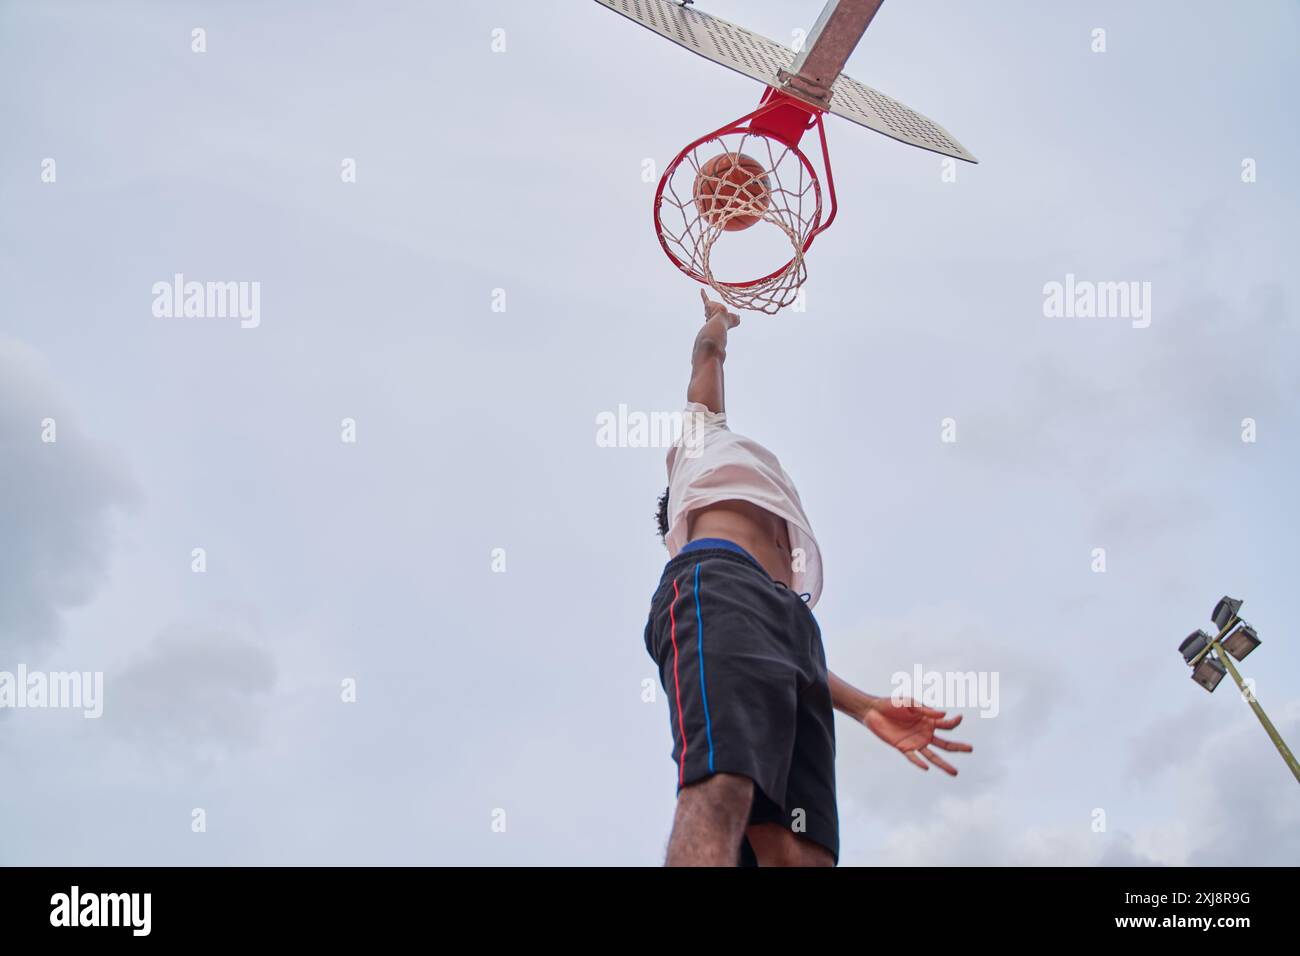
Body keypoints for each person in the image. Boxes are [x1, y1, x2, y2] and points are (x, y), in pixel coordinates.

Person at [644, 290, 973, 866]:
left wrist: (865, 706)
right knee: (722, 785)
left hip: (790, 620)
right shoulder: (698, 441)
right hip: (717, 585)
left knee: (800, 854)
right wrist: (719, 320)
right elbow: (707, 356)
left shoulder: (770, 505)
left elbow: (787, 656)